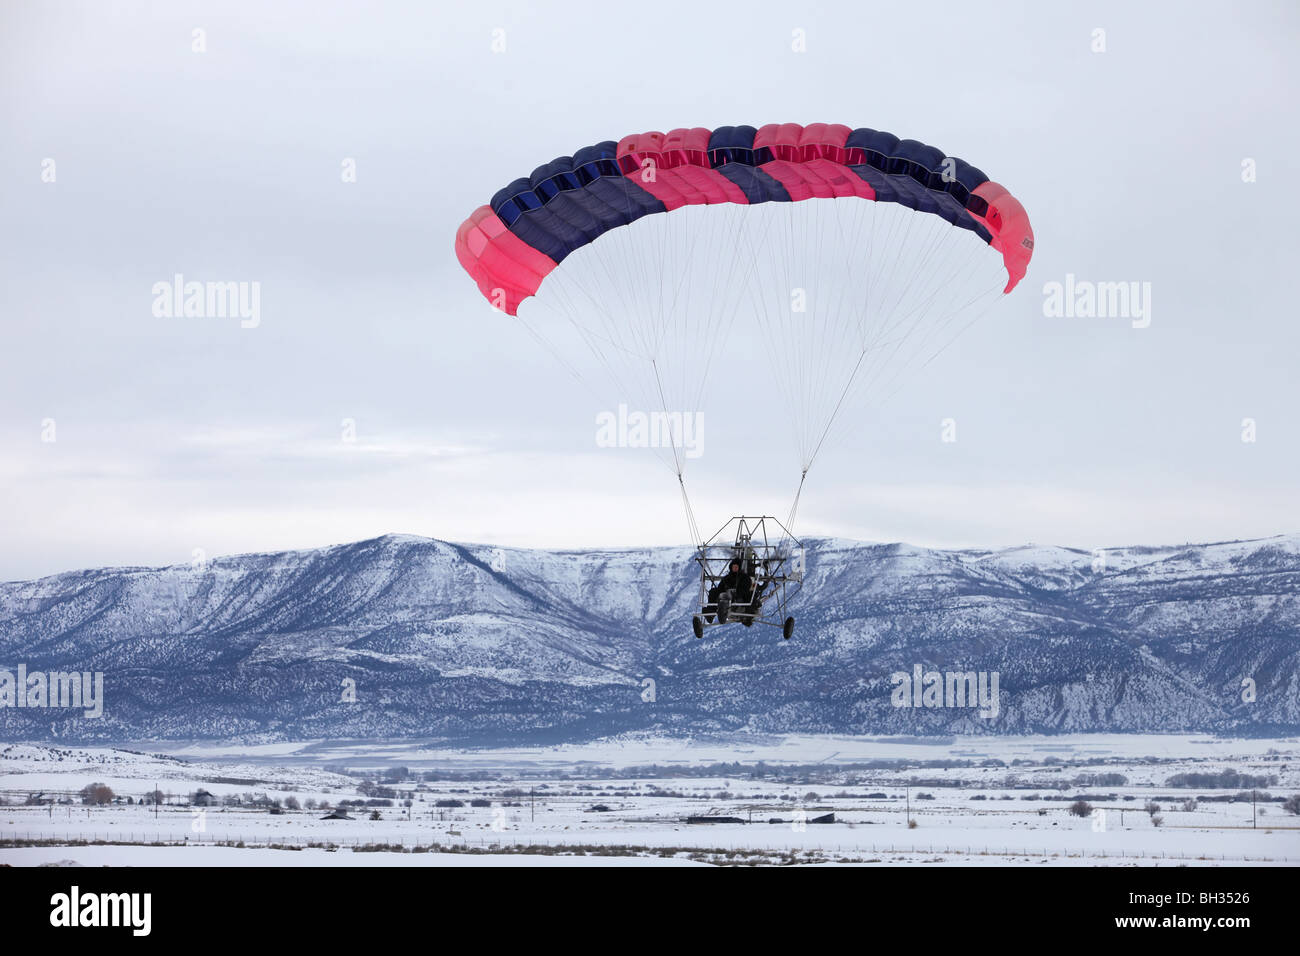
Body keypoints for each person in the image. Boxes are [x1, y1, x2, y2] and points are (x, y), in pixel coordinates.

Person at [704, 558, 753, 623]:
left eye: (736, 567)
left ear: (739, 567)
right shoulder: (726, 578)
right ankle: (710, 613)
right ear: (731, 567)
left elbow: (746, 588)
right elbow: (720, 588)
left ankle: (723, 611)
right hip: (726, 597)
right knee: (713, 591)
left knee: (732, 594)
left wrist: (737, 593)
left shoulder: (744, 578)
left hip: (738, 598)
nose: (735, 568)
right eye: (733, 567)